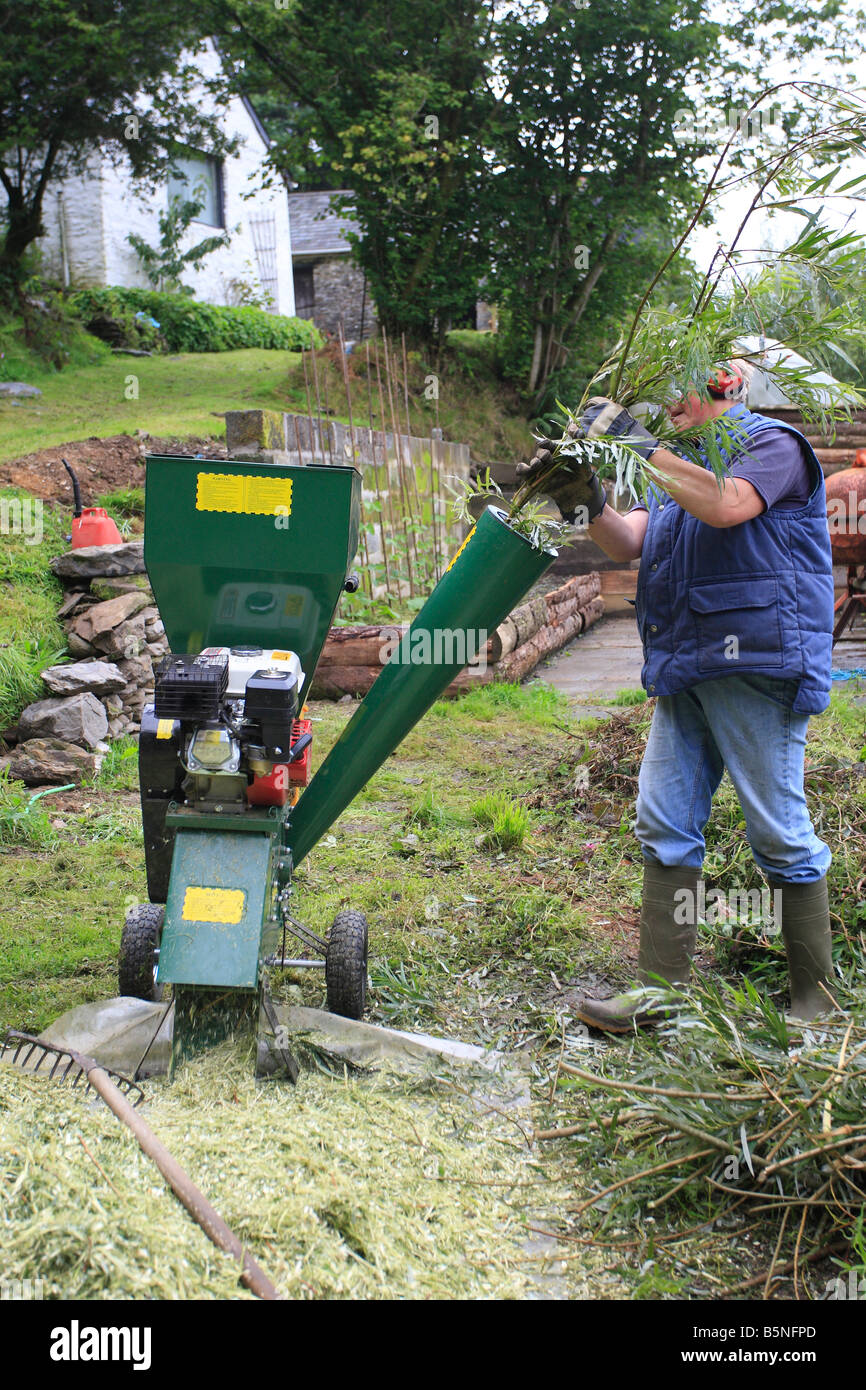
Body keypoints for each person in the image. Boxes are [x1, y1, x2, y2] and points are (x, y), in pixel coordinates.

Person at [516, 364, 837, 1029]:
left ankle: (816, 1001)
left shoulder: (769, 445)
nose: (669, 406)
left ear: (726, 386)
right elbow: (629, 540)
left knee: (777, 828)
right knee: (663, 822)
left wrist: (633, 444)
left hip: (755, 665)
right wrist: (579, 497)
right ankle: (661, 996)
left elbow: (726, 504)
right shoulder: (677, 466)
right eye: (659, 399)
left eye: (681, 391)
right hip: (684, 664)